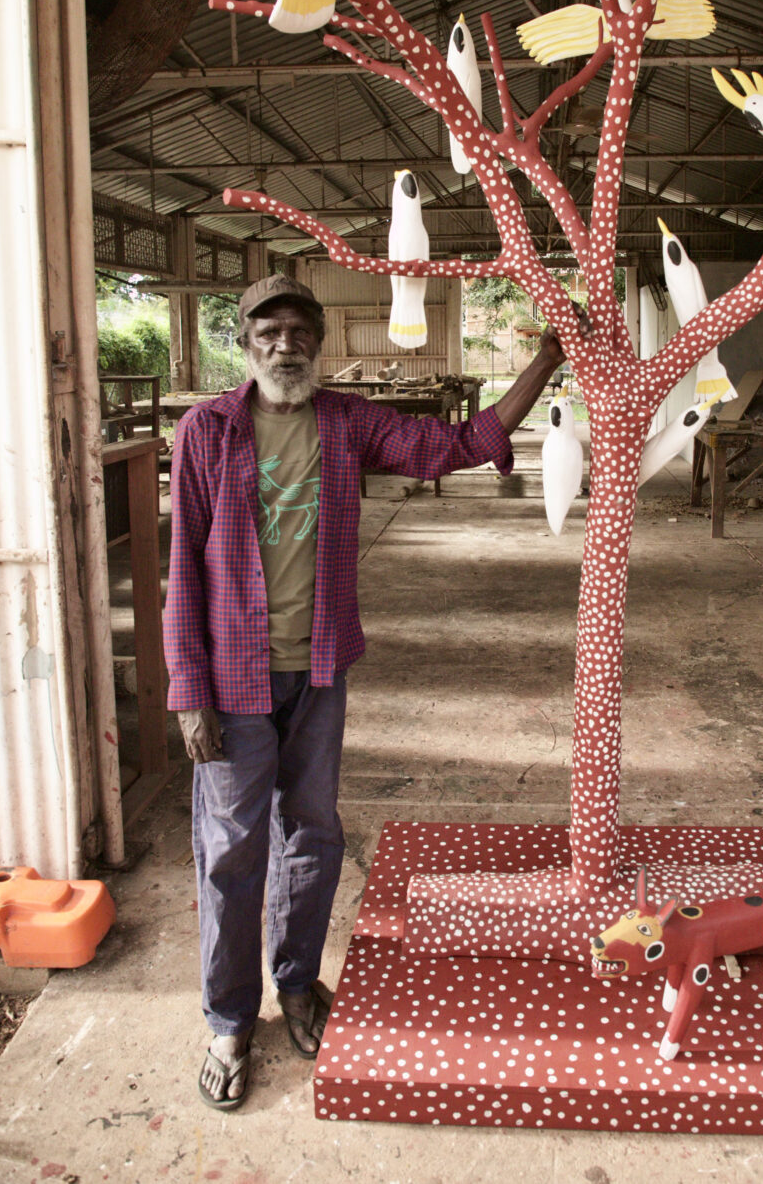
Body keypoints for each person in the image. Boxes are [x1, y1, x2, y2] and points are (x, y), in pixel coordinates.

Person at [164, 273, 579, 1110]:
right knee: (231, 853)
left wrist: (546, 358)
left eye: (300, 332)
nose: (286, 344)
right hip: (235, 676)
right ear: (245, 342)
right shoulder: (206, 432)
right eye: (270, 331)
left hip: (320, 665)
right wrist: (187, 691)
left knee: (313, 834)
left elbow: (459, 442)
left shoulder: (348, 423)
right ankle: (227, 1019)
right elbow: (181, 567)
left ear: (320, 342)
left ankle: (297, 984)